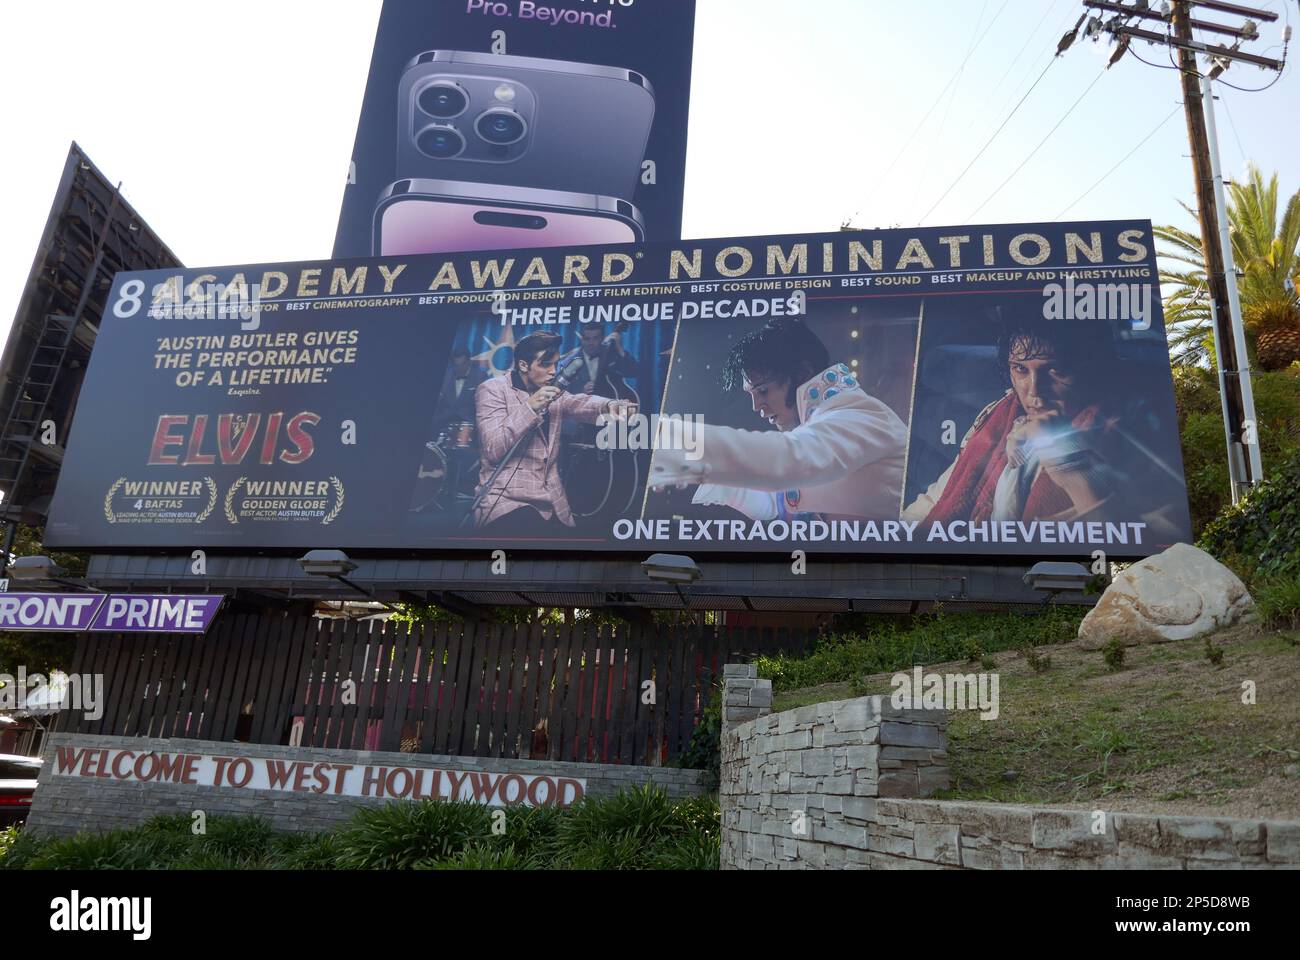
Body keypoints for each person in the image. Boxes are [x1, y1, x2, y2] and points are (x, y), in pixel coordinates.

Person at [902, 319, 1184, 533]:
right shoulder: (999, 417)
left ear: (1090, 369)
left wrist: (1066, 460)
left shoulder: (1132, 432)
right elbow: (936, 499)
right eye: (1020, 370)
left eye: (1056, 371)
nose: (1035, 392)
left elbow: (1144, 537)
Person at [651, 317, 909, 521]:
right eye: (751, 394)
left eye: (762, 390)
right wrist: (703, 475)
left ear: (803, 372)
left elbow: (790, 460)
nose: (757, 406)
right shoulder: (819, 426)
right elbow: (777, 504)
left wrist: (676, 444)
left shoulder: (861, 415)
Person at [473, 332, 632, 533]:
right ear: (523, 365)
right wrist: (530, 407)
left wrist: (611, 405)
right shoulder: (493, 390)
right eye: (546, 364)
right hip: (506, 501)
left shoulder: (553, 390)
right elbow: (493, 449)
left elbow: (580, 403)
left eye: (556, 364)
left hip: (552, 503)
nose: (553, 372)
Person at [431, 346, 487, 438]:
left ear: (469, 362)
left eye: (463, 364)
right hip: (444, 419)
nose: (460, 368)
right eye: (456, 365)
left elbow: (483, 405)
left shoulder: (480, 377)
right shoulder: (446, 376)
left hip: (467, 421)